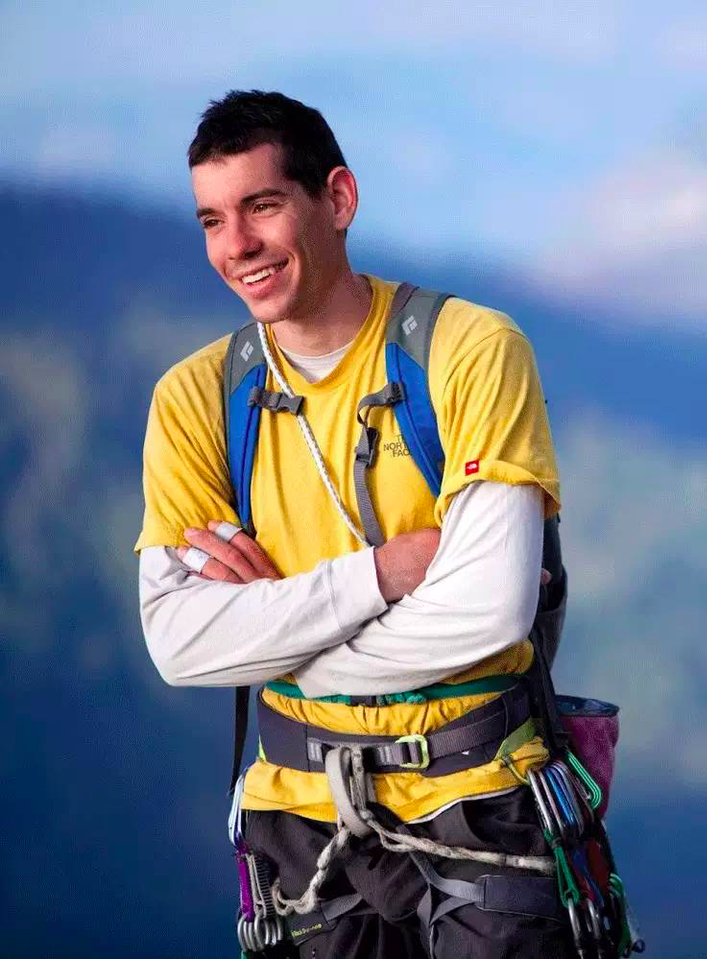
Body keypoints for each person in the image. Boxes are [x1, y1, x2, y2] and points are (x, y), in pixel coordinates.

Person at [134, 89, 572, 957]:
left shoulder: (469, 350)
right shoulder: (194, 399)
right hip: (301, 826)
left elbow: (490, 609)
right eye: (213, 220)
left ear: (337, 198)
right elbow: (179, 642)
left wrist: (279, 636)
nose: (237, 247)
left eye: (262, 207)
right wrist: (382, 575)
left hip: (480, 805)